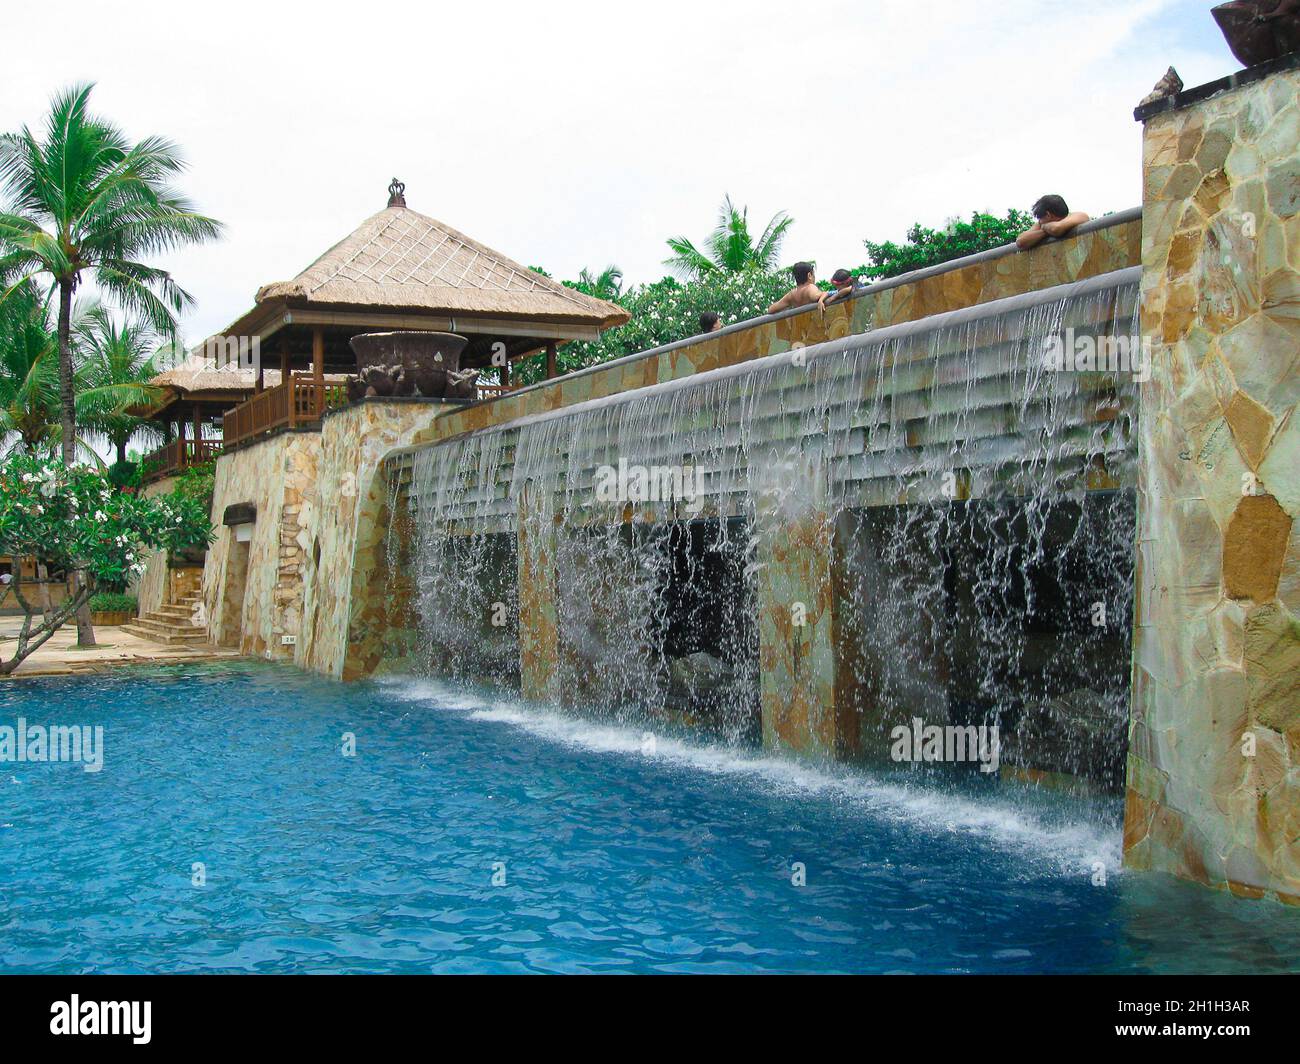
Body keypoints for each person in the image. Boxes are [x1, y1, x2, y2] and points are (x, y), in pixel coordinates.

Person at [1016, 195, 1090, 250]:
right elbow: (1021, 241)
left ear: (1048, 215)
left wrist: (1045, 228)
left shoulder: (1079, 216)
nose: (1040, 222)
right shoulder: (1041, 225)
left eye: (1040, 218)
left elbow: (1056, 228)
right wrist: (1045, 231)